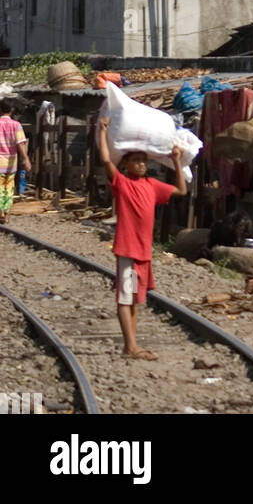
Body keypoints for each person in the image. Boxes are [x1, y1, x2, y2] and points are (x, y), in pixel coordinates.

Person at [97, 116, 186, 361]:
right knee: (125, 298)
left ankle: (132, 346)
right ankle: (131, 346)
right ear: (126, 164)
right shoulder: (122, 183)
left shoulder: (153, 185)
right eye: (136, 161)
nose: (142, 165)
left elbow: (181, 190)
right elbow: (106, 159)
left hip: (144, 251)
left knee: (135, 299)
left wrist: (176, 161)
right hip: (127, 249)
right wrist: (102, 132)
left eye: (144, 161)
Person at [0, 99, 30, 224]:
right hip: (11, 163)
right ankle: (6, 213)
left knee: (0, 188)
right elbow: (20, 144)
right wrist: (26, 159)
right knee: (9, 188)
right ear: (11, 110)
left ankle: (0, 211)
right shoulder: (16, 125)